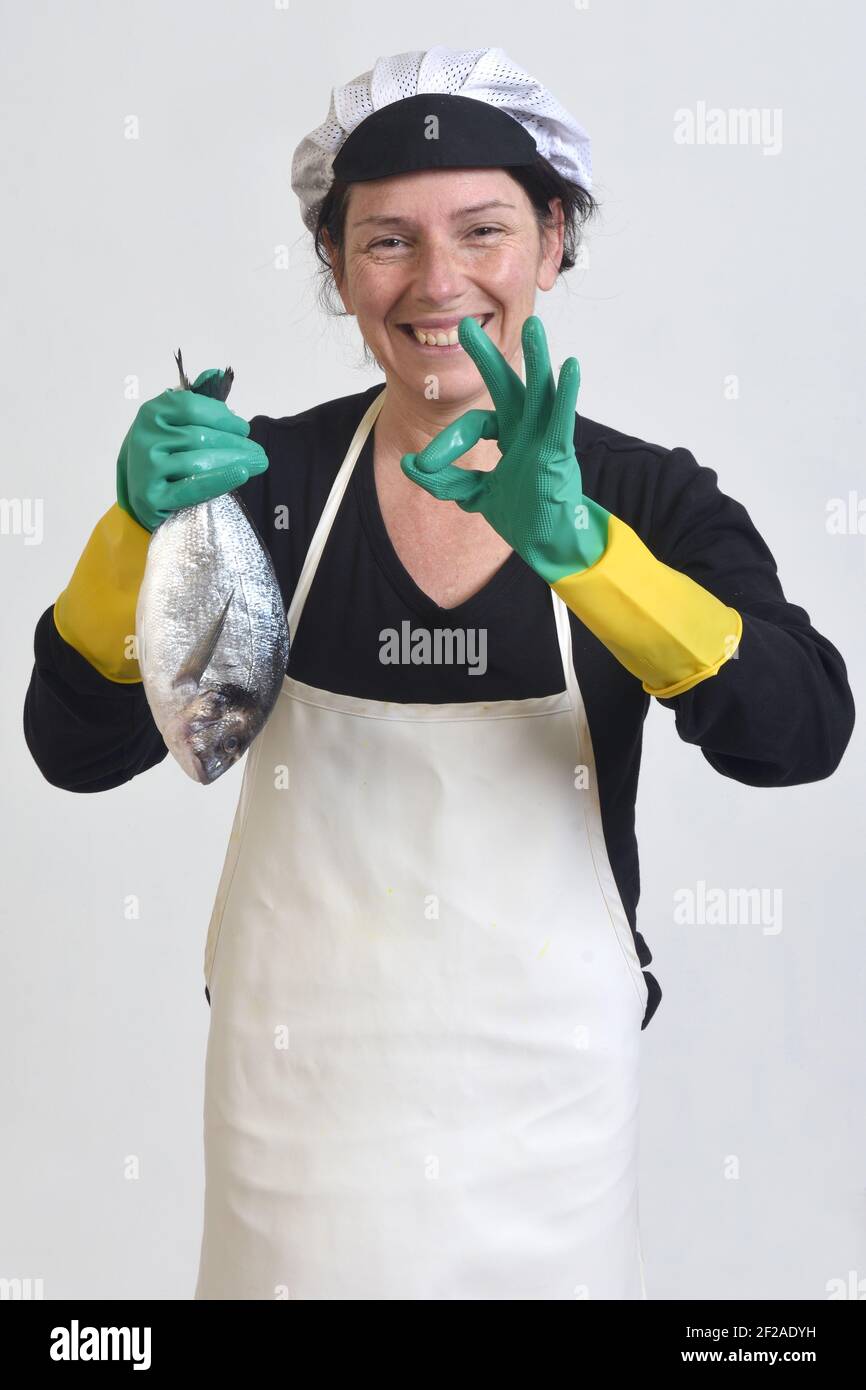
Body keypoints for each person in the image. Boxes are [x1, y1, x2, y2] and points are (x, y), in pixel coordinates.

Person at [23, 46, 855, 1300]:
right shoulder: (264, 486)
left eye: (483, 230)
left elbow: (796, 733)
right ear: (336, 268)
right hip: (292, 1112)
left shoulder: (641, 494)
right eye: (385, 241)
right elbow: (78, 750)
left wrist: (588, 557)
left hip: (548, 1122)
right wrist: (131, 535)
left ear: (554, 241)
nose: (437, 283)